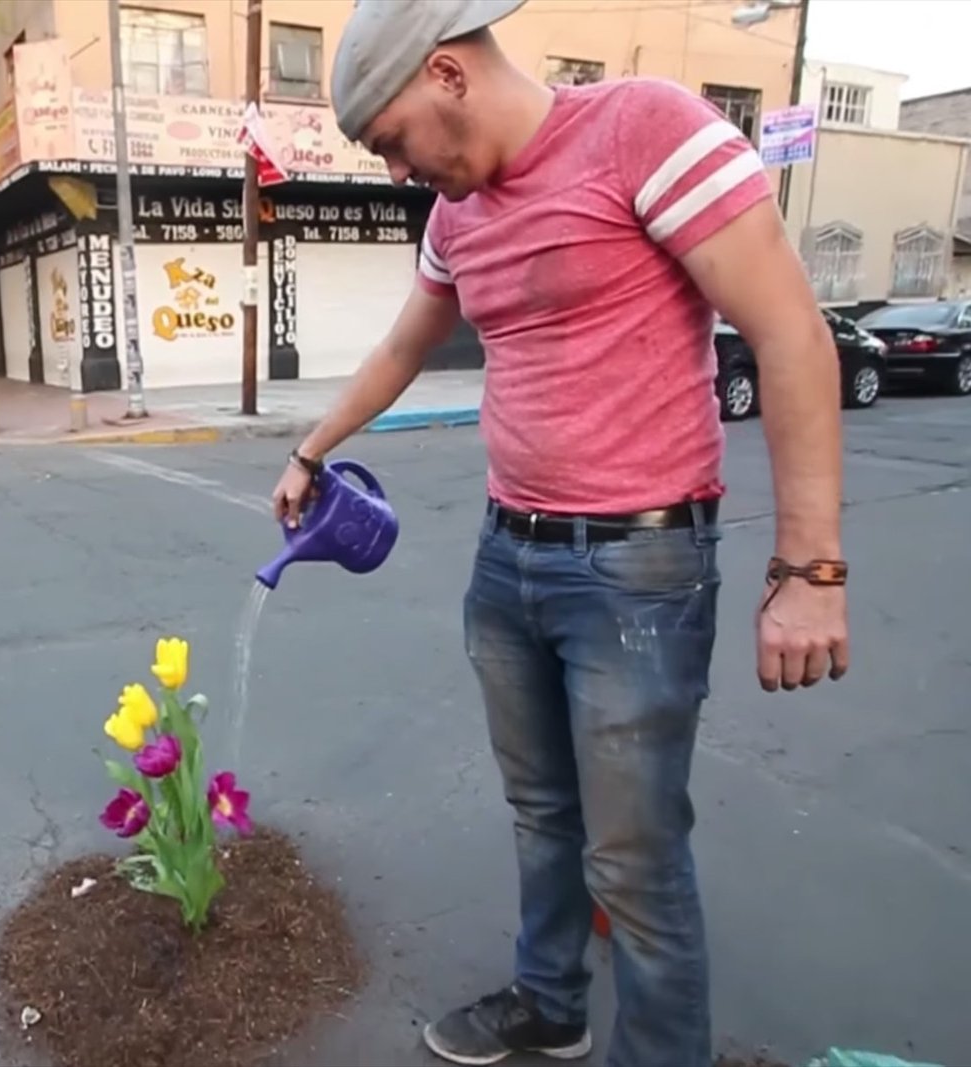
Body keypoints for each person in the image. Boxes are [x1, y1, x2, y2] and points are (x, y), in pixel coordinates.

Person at [271, 1, 851, 1064]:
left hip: (639, 566)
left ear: (447, 74)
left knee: (633, 857)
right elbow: (404, 346)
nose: (396, 171)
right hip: (508, 554)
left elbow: (789, 333)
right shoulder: (456, 217)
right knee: (541, 810)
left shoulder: (645, 130)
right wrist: (311, 449)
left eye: (391, 140)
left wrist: (810, 568)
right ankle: (551, 1001)